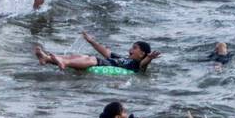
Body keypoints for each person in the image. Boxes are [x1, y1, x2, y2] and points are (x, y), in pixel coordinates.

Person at [33, 31, 161, 72]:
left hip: (102, 64)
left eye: (134, 48)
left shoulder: (137, 65)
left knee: (91, 59)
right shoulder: (125, 58)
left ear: (142, 53)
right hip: (103, 61)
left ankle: (64, 63)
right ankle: (46, 58)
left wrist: (150, 58)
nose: (130, 50)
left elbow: (144, 64)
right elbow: (106, 52)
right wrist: (91, 41)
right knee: (78, 56)